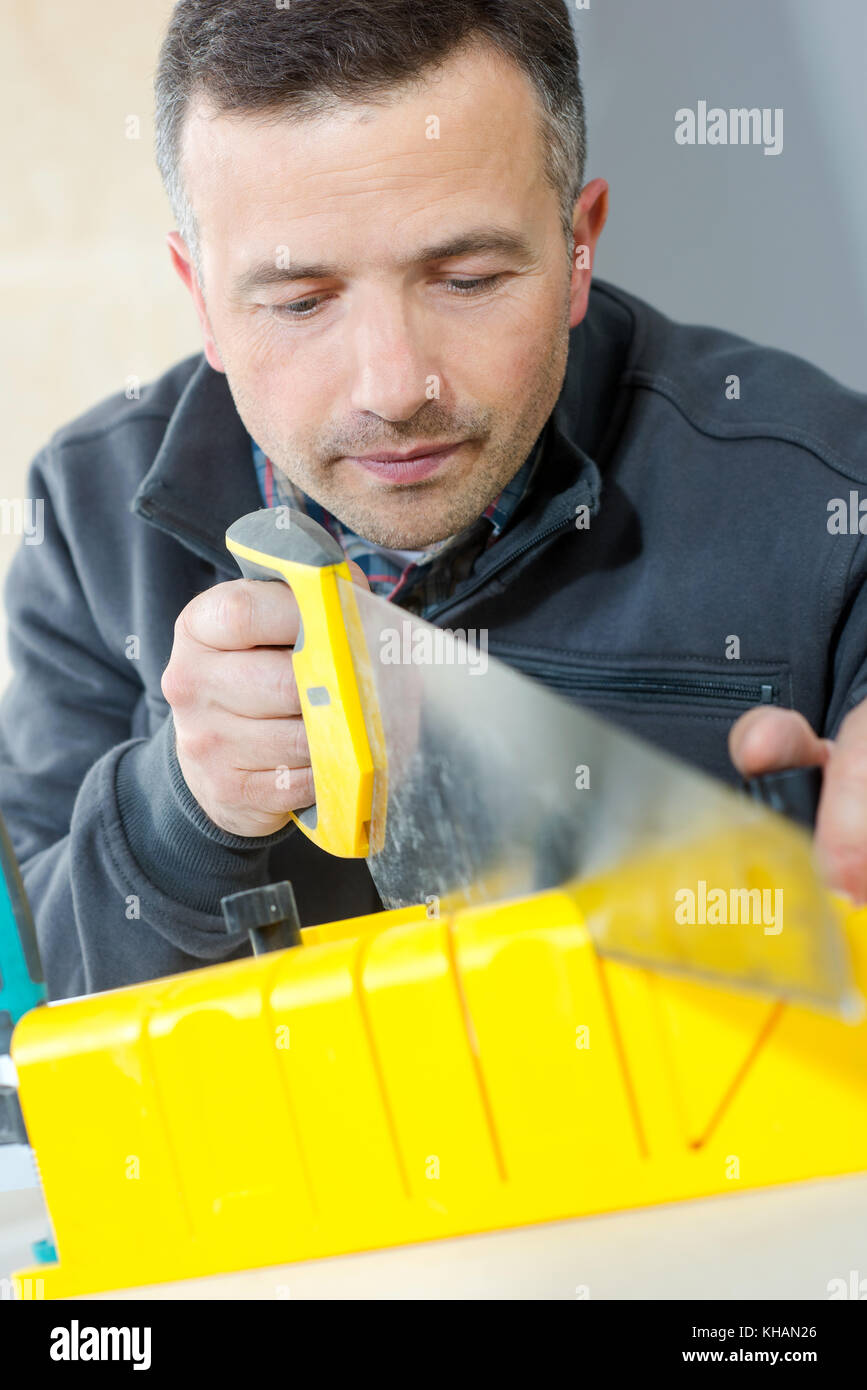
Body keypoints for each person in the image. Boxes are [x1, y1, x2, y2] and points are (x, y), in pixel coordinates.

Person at [3, 0, 867, 1001]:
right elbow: (20, 1037)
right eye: (300, 302)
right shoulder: (85, 518)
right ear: (199, 297)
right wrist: (174, 815)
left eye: (466, 278)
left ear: (579, 247)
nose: (394, 384)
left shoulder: (829, 494)